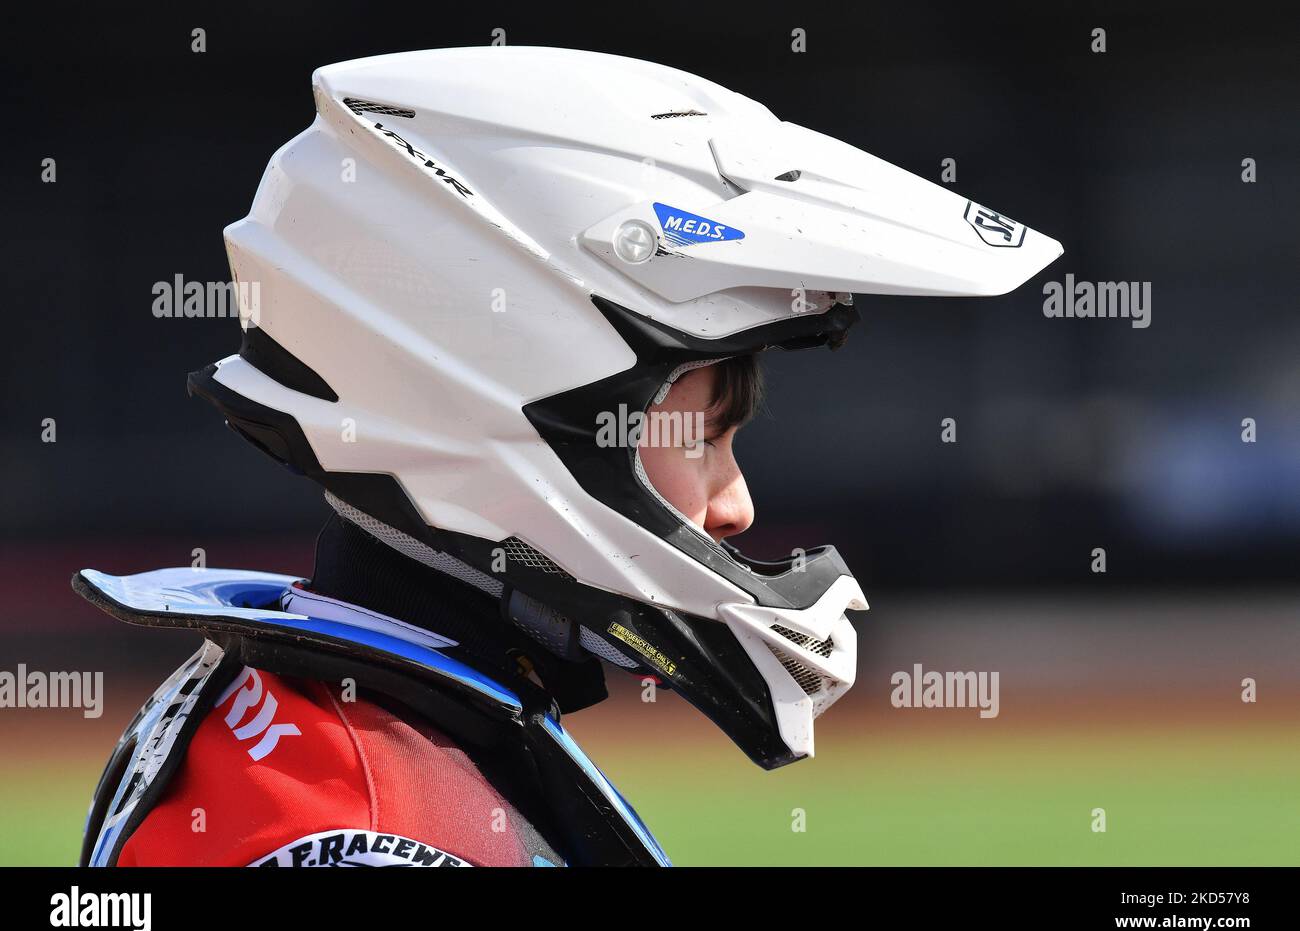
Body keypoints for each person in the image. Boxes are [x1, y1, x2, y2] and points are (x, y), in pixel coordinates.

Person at [76, 47, 1060, 867]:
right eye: (702, 433)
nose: (735, 504)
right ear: (510, 393)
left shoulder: (351, 721)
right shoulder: (362, 831)